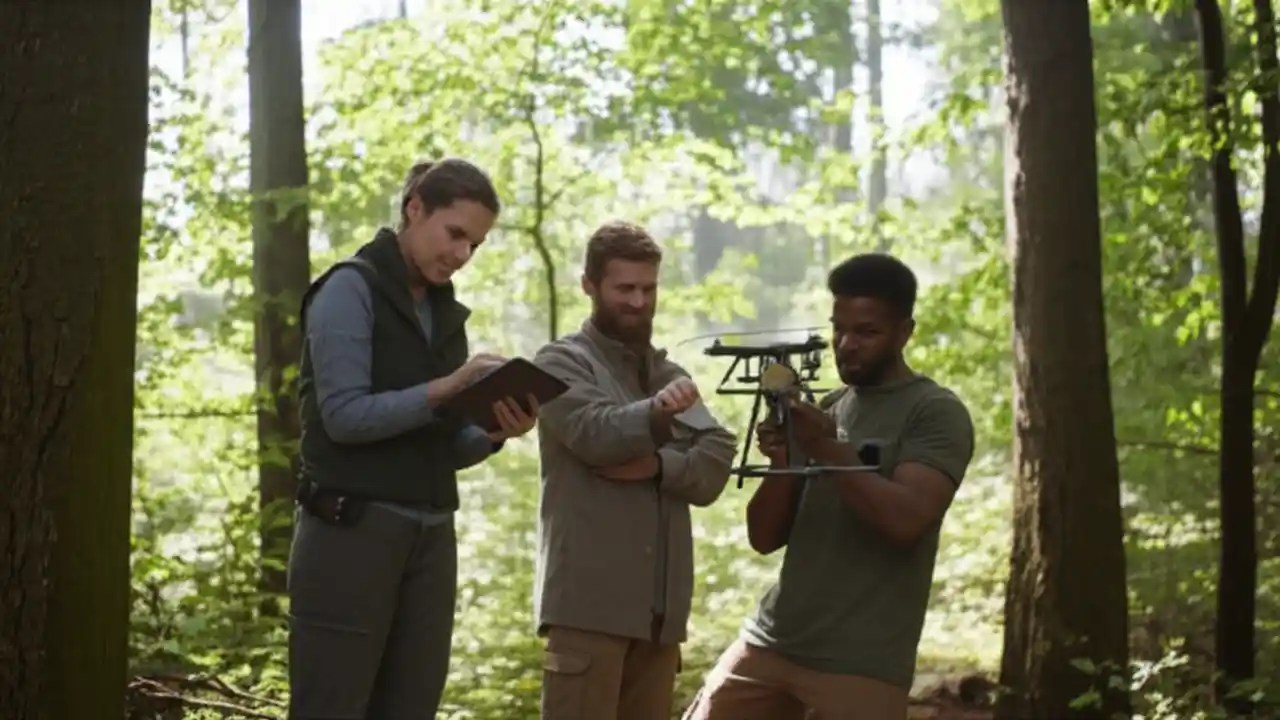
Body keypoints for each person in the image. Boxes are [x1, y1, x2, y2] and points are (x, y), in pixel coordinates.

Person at [287, 158, 539, 719]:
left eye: (474, 244)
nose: (462, 254)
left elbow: (445, 446)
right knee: (331, 706)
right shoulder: (349, 289)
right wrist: (449, 387)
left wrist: (495, 431)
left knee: (412, 706)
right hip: (348, 532)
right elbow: (344, 417)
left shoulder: (445, 313)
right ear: (415, 208)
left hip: (430, 535)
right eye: (455, 233)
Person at [682, 253, 975, 720]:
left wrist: (825, 446)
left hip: (862, 662)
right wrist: (783, 458)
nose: (846, 344)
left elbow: (905, 521)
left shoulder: (934, 411)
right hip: (771, 641)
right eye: (839, 328)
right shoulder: (831, 406)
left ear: (904, 332)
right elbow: (764, 536)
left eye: (866, 332)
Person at [531, 220, 738, 720]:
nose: (638, 301)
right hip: (589, 611)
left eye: (648, 289)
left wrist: (658, 466)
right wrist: (657, 416)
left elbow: (716, 457)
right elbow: (596, 435)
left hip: (659, 618)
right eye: (624, 288)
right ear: (589, 285)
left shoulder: (668, 374)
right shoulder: (558, 364)